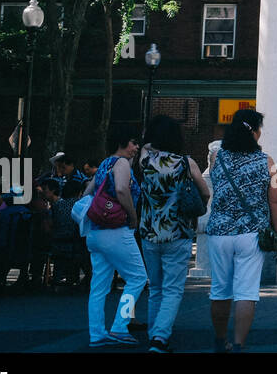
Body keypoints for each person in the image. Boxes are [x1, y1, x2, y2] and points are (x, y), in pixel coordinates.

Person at [206, 107, 277, 352]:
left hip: (219, 232)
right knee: (246, 291)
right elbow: (274, 200)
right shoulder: (268, 163)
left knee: (220, 289)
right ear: (254, 132)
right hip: (251, 234)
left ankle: (219, 340)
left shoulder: (217, 158)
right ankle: (238, 344)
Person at [138, 114, 210, 353]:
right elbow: (205, 193)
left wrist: (149, 142)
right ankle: (160, 336)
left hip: (149, 232)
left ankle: (154, 333)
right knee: (172, 289)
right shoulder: (186, 163)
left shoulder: (144, 162)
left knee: (155, 287)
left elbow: (144, 146)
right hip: (178, 232)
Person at [82, 122, 148, 348]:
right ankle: (120, 325)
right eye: (133, 143)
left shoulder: (103, 165)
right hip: (117, 231)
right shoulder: (121, 163)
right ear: (123, 142)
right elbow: (121, 189)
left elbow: (87, 193)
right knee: (138, 277)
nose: (136, 147)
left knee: (99, 285)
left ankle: (96, 333)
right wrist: (132, 216)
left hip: (96, 232)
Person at [50, 179, 88, 289]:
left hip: (58, 242)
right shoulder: (80, 205)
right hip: (75, 244)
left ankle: (58, 279)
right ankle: (83, 277)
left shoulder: (57, 205)